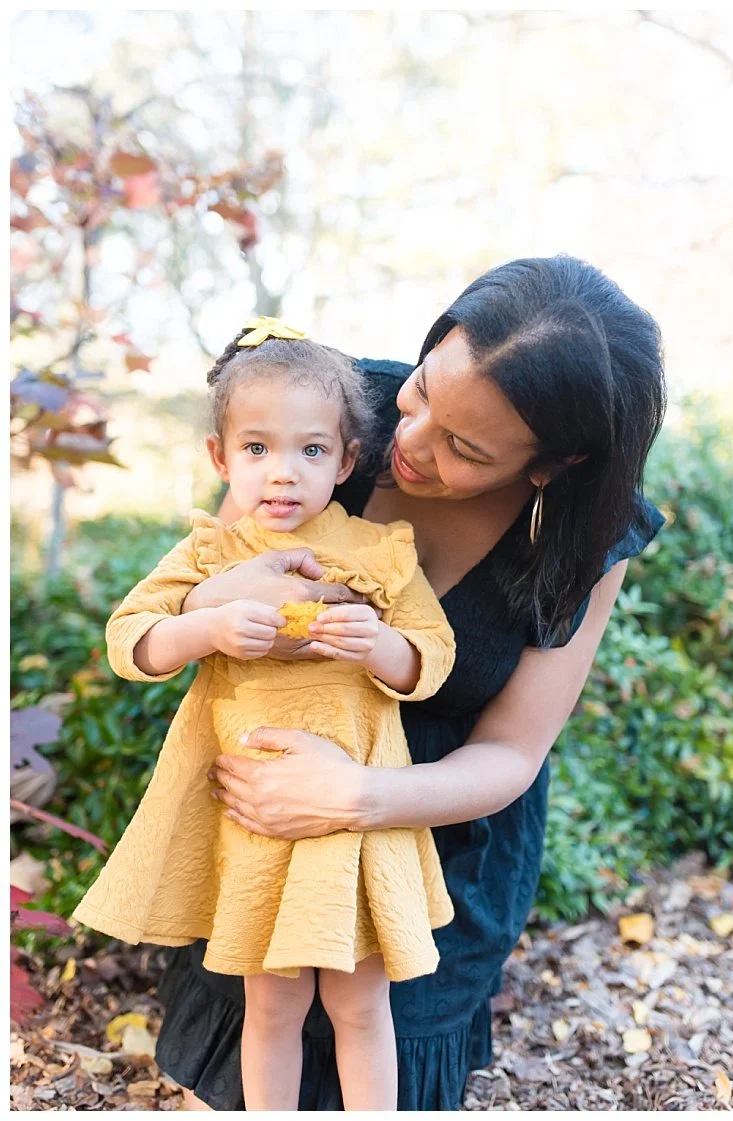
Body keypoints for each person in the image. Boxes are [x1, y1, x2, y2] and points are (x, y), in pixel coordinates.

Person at [149, 257, 667, 1110]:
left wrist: (354, 794)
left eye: (465, 447)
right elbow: (190, 592)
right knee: (254, 1026)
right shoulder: (322, 413)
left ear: (554, 463)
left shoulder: (588, 535)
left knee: (378, 1032)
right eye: (422, 392)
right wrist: (231, 606)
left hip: (433, 824)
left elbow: (512, 752)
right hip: (263, 803)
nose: (409, 444)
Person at [75, 318, 456, 1110]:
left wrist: (379, 643)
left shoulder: (380, 550)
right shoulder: (210, 553)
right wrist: (205, 626)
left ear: (347, 460)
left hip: (354, 822)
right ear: (221, 458)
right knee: (273, 1004)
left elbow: (434, 654)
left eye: (311, 451)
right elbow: (129, 639)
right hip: (254, 823)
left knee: (360, 1002)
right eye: (257, 449)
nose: (283, 474)